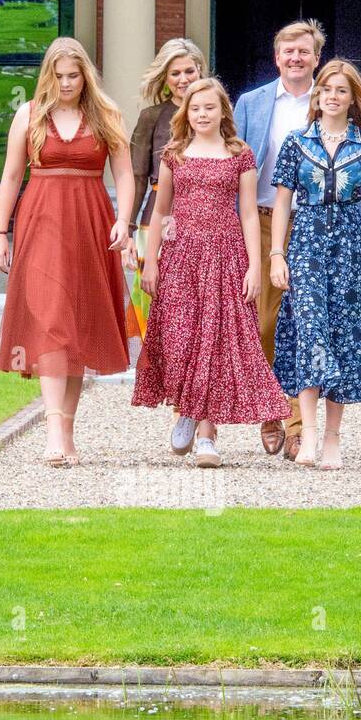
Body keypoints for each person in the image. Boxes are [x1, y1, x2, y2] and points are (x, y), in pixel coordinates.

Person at [0, 37, 138, 467]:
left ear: (85, 74)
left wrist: (124, 221)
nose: (67, 83)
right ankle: (54, 430)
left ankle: (66, 433)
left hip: (91, 224)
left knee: (78, 325)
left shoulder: (106, 114)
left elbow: (125, 175)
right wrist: (0, 233)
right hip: (40, 223)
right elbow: (11, 176)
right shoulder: (29, 115)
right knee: (52, 321)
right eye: (59, 76)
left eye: (74, 75)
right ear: (48, 75)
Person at [131, 78, 289, 468]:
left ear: (223, 112)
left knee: (214, 343)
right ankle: (186, 407)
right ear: (187, 113)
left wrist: (256, 265)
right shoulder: (175, 153)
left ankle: (206, 435)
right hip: (182, 257)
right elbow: (160, 211)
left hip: (226, 256)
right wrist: (150, 262)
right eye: (196, 108)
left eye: (210, 108)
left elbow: (250, 213)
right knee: (182, 338)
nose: (202, 114)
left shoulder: (240, 154)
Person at [269, 59, 361, 471]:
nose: (333, 97)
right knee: (309, 333)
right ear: (317, 96)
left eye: (341, 91)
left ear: (351, 98)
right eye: (327, 90)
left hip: (349, 249)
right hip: (305, 247)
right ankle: (306, 432)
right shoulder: (295, 142)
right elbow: (282, 203)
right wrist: (276, 254)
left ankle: (333, 438)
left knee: (342, 338)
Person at [233, 19, 326, 461]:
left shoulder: (328, 101)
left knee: (304, 325)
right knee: (266, 324)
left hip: (313, 224)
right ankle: (270, 408)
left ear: (316, 57)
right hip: (264, 221)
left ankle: (295, 427)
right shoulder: (250, 104)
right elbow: (228, 163)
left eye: (304, 51)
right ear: (276, 58)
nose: (295, 58)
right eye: (288, 51)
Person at [128, 38, 207, 457]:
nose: (182, 80)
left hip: (208, 228)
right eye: (175, 73)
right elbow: (138, 180)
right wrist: (127, 231)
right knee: (161, 327)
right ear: (164, 77)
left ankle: (196, 412)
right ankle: (182, 405)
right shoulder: (150, 119)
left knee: (203, 324)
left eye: (189, 72)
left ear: (201, 72)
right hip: (155, 226)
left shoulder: (216, 114)